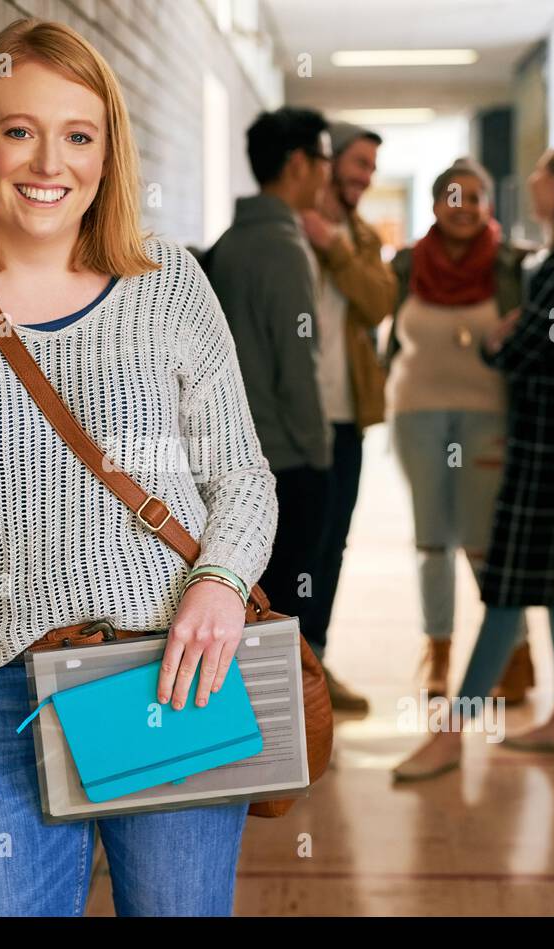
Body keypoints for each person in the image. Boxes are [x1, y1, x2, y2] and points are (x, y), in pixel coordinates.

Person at [0, 17, 279, 913]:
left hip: (164, 674)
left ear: (107, 152)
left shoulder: (166, 282)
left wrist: (220, 581)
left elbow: (241, 475)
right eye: (19, 130)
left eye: (78, 135)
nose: (50, 162)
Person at [392, 146, 554, 782]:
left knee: (506, 592)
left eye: (545, 174)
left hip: (545, 456)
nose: (534, 182)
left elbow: (516, 354)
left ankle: (450, 734)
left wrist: (499, 338)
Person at [384, 158, 536, 706]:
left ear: (488, 206)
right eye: (454, 196)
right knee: (431, 540)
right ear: (434, 205)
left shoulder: (512, 266)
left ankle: (514, 650)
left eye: (475, 197)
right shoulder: (406, 264)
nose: (465, 207)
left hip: (488, 416)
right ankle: (439, 653)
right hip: (416, 412)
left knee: (481, 541)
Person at [203, 107, 339, 698]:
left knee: (264, 603)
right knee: (287, 604)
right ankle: (286, 731)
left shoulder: (233, 242)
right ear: (297, 164)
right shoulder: (283, 247)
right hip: (283, 455)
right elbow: (298, 365)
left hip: (240, 451)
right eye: (324, 160)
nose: (328, 176)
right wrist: (320, 452)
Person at [295, 122, 399, 714]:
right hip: (292, 420)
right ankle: (283, 670)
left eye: (371, 170)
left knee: (332, 545)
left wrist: (334, 245)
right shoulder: (289, 226)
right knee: (295, 548)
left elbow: (380, 301)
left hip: (345, 416)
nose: (364, 178)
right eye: (358, 164)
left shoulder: (357, 236)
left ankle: (316, 664)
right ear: (329, 162)